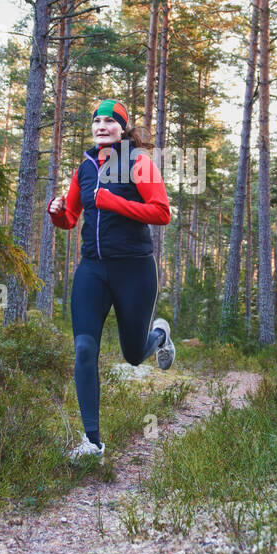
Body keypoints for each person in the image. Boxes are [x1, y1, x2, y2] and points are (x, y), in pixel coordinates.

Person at [47, 99, 176, 463]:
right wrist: (56, 211)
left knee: (133, 355)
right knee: (84, 348)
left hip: (134, 270)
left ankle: (160, 335)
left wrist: (112, 202)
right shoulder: (85, 168)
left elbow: (162, 213)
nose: (102, 126)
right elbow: (71, 218)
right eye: (97, 121)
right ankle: (93, 443)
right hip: (93, 269)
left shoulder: (138, 163)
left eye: (110, 121)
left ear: (122, 128)